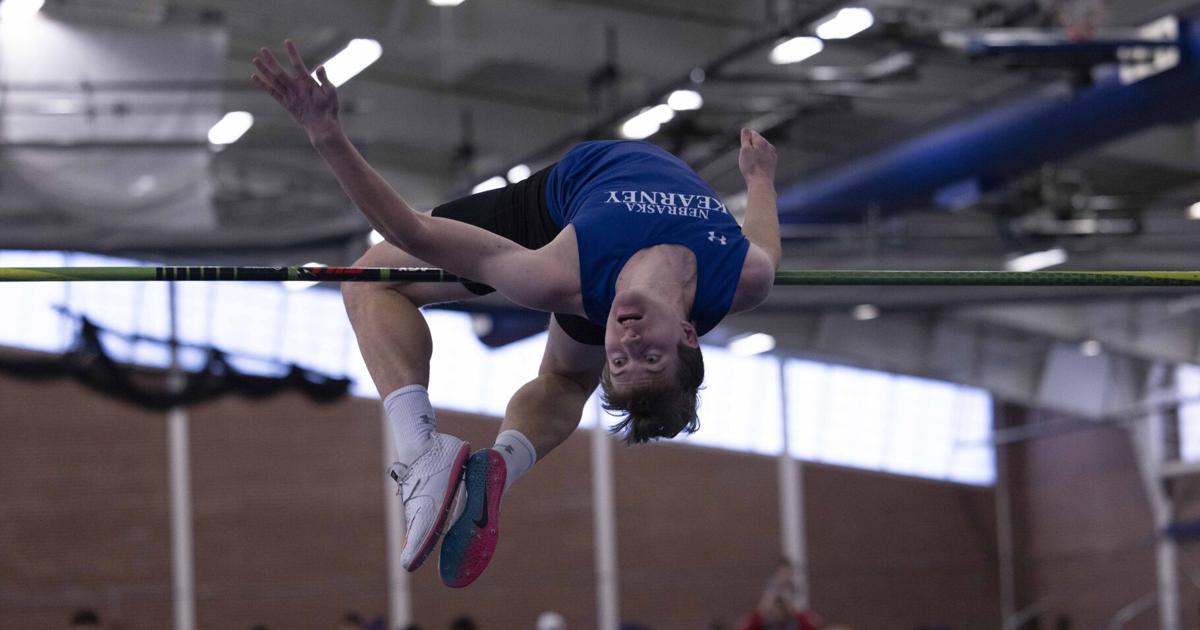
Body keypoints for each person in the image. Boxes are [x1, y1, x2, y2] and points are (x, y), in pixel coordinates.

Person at [251, 40, 780, 587]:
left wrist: (326, 135)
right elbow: (765, 244)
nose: (623, 342)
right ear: (689, 334)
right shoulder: (743, 277)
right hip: (590, 236)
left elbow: (412, 231)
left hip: (550, 208)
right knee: (565, 381)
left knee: (367, 280)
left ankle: (420, 451)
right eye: (650, 354)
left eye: (619, 363)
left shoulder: (556, 277)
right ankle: (500, 463)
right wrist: (759, 177)